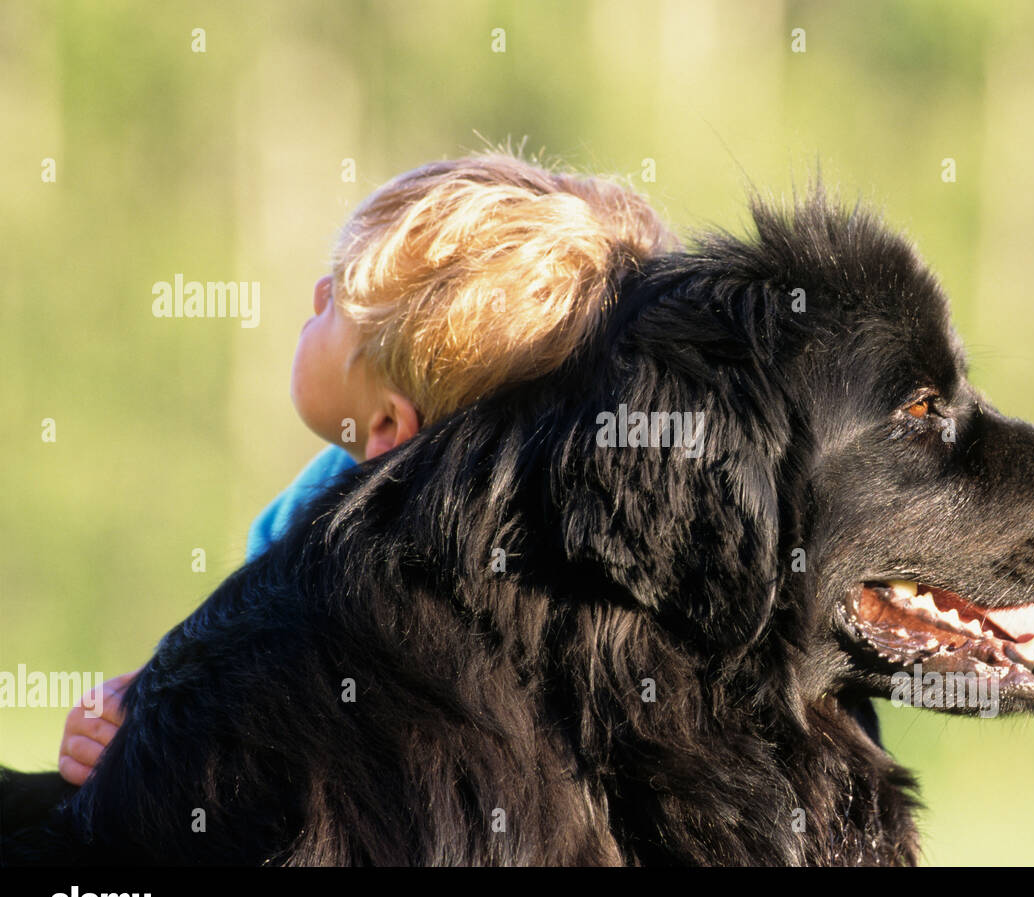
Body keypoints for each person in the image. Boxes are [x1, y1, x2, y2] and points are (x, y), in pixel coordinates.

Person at [57, 151, 675, 785]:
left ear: (386, 428)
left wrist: (145, 748)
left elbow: (251, 701)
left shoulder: (334, 556)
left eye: (336, 304)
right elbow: (210, 670)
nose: (318, 293)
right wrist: (125, 715)